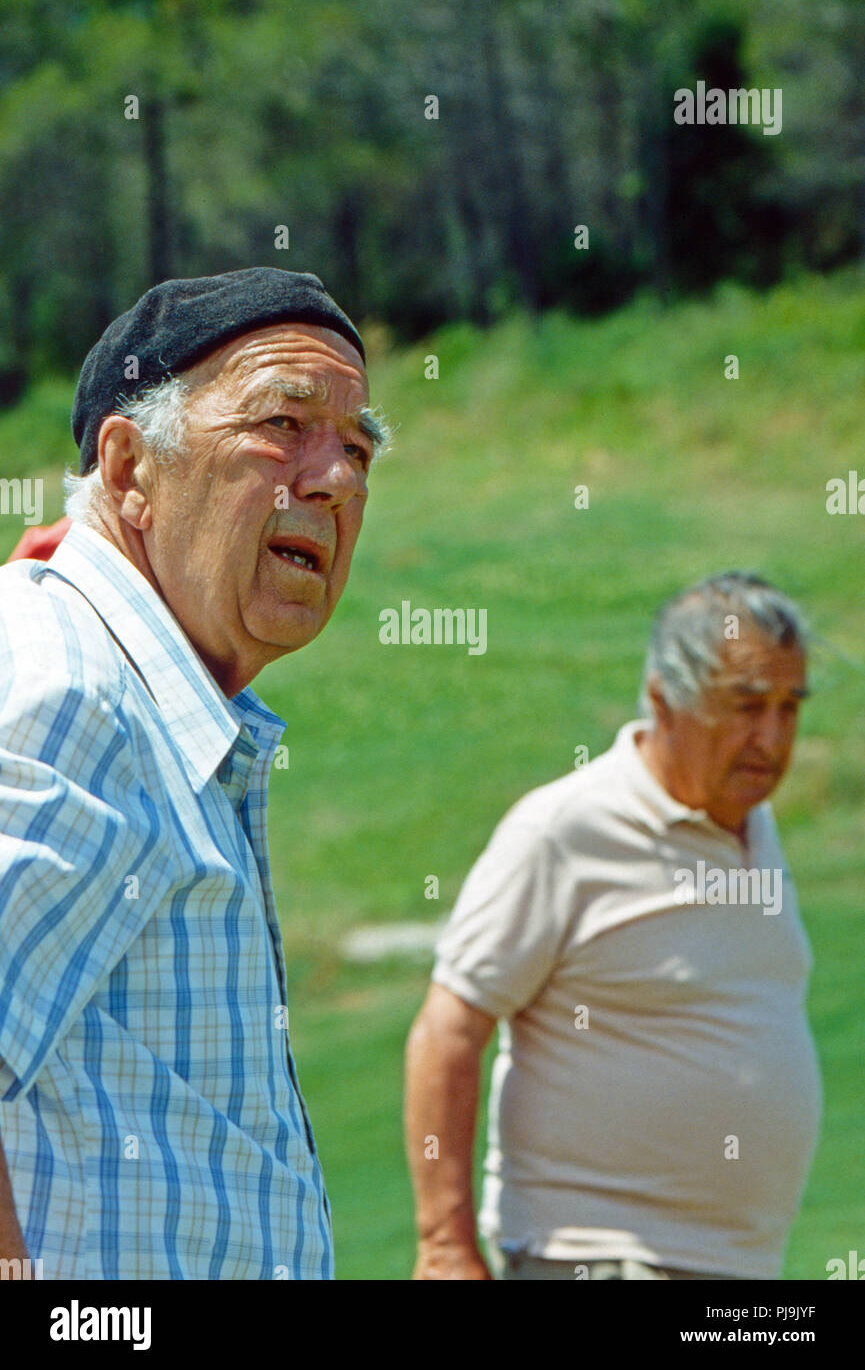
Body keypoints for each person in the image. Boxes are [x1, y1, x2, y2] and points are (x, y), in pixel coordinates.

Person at [0, 267, 388, 1280]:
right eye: (282, 427)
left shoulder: (157, 702)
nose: (335, 478)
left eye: (355, 447)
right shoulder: (68, 687)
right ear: (130, 471)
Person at [405, 573, 821, 1281]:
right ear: (665, 699)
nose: (772, 739)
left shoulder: (753, 825)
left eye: (788, 708)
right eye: (746, 706)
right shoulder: (564, 829)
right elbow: (449, 1028)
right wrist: (445, 1247)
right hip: (600, 1259)